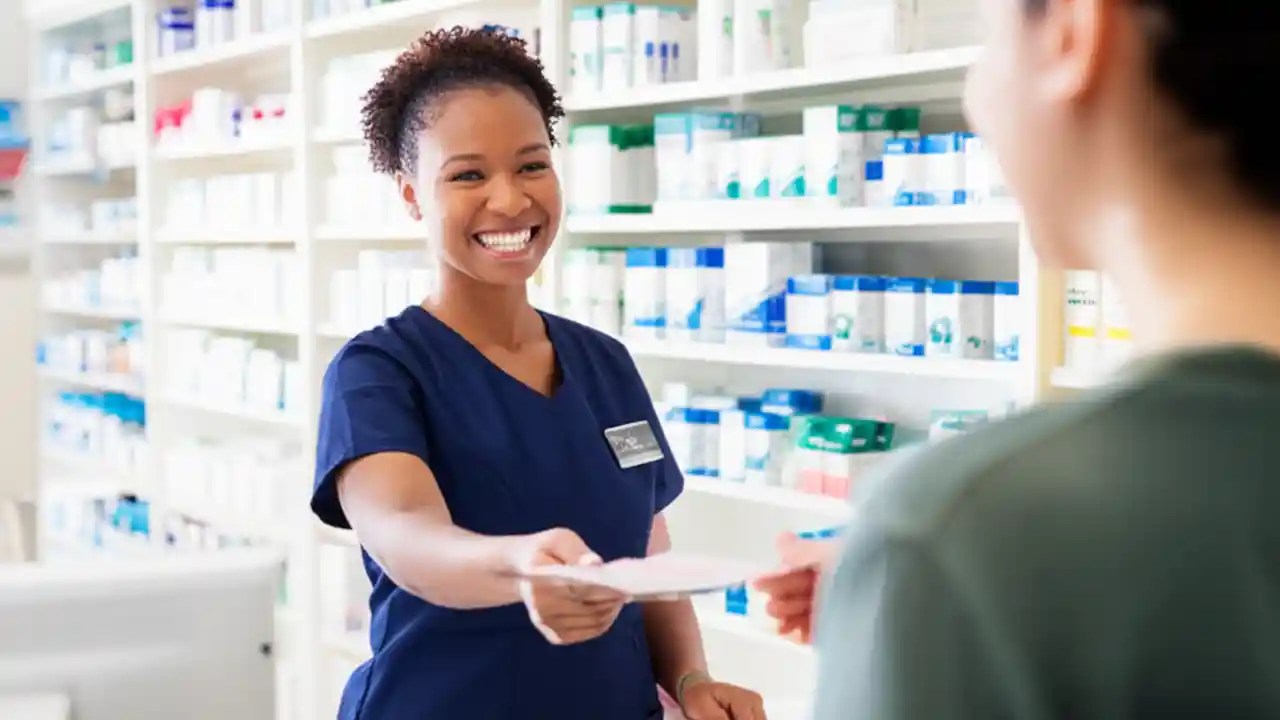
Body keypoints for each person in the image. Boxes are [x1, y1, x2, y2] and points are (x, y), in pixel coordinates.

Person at [756, 0, 1280, 717]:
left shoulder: (969, 527)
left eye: (987, 34)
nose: (977, 97)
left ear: (1074, 32)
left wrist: (937, 594)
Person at [312, 27, 764, 720]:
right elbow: (407, 537)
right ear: (410, 196)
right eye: (467, 175)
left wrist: (690, 683)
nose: (510, 200)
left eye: (531, 165)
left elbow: (647, 559)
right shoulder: (379, 372)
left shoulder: (603, 363)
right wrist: (520, 568)